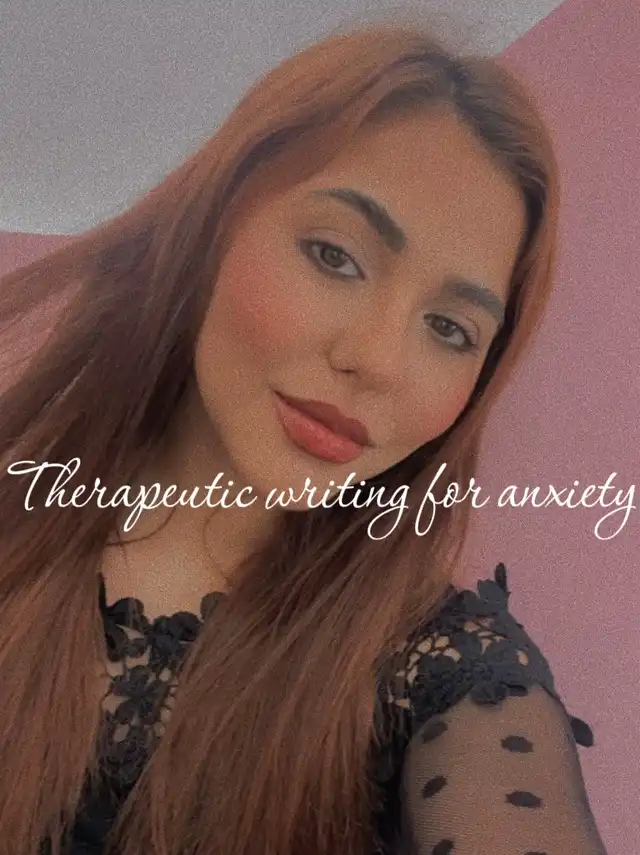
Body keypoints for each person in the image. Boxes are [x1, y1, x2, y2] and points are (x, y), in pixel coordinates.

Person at [0, 21, 607, 855]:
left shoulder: (438, 673)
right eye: (335, 255)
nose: (376, 361)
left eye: (449, 328)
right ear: (214, 222)